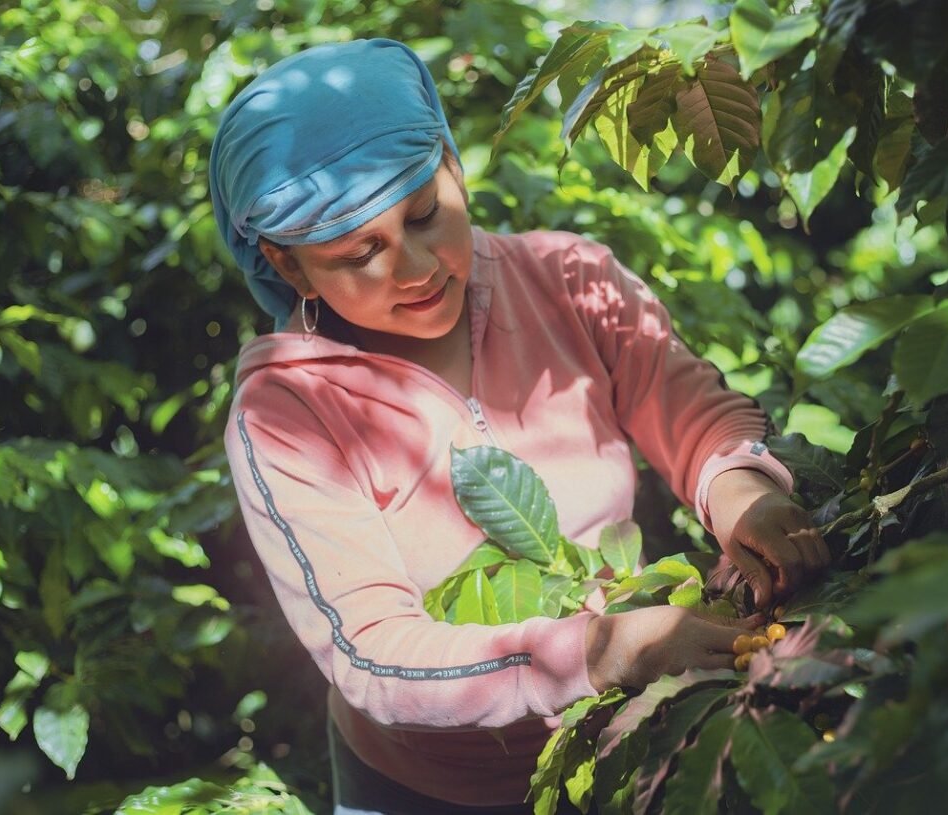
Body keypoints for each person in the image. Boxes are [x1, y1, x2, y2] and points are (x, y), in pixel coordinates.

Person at [209, 37, 830, 815]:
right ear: (289, 265)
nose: (416, 267)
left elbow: (693, 414)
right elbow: (371, 652)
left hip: (621, 744)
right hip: (424, 792)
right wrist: (597, 652)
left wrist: (745, 496)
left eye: (427, 214)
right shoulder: (287, 414)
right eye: (360, 252)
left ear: (454, 163)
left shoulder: (572, 282)